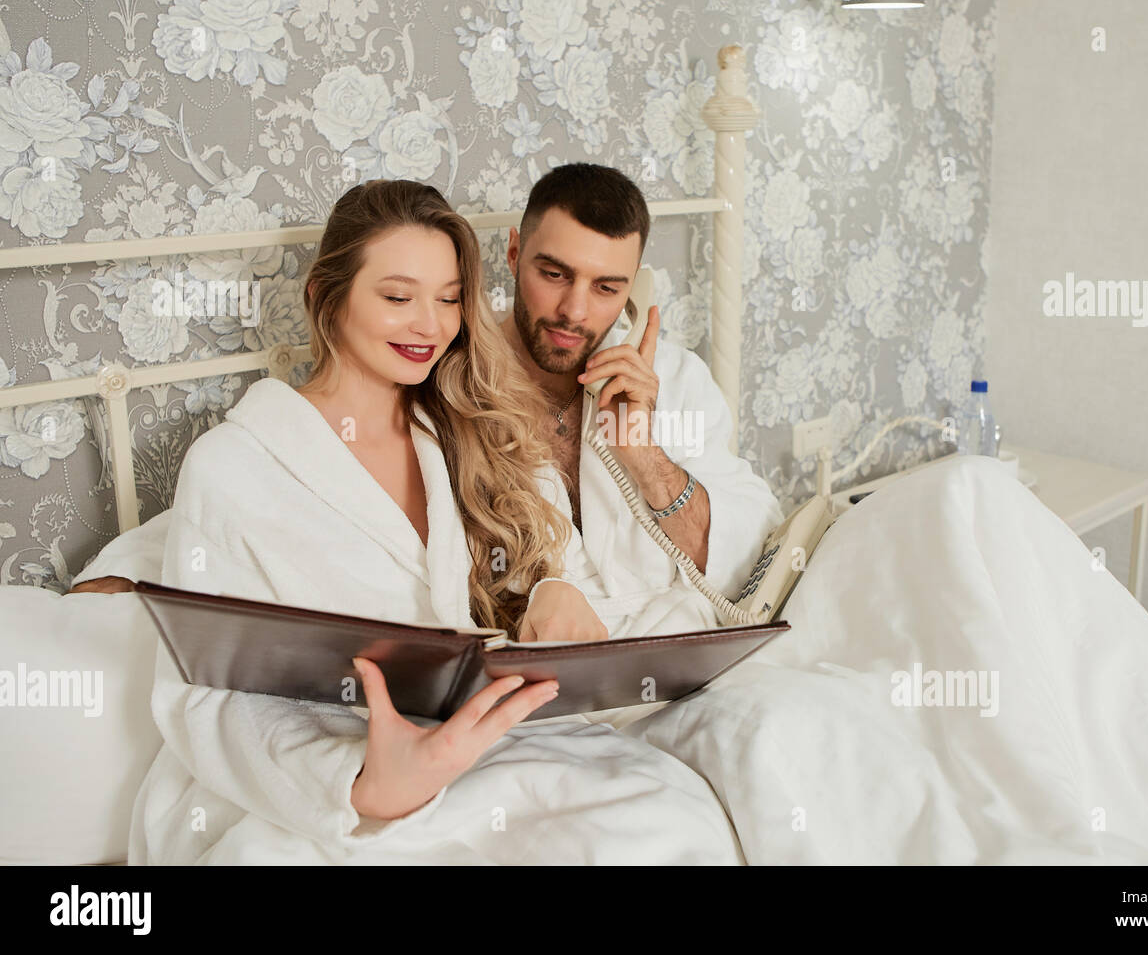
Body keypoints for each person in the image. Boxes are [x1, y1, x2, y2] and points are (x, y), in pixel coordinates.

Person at [117, 179, 740, 863]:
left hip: (485, 748)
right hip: (325, 775)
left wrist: (549, 591)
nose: (430, 326)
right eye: (396, 297)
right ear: (325, 296)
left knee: (665, 821)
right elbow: (206, 694)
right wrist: (358, 784)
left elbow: (528, 567)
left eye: (448, 300)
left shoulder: (466, 429)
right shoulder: (233, 467)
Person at [71, 164, 783, 642]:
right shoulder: (457, 386)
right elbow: (276, 494)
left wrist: (642, 453)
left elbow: (744, 549)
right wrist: (130, 571)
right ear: (512, 254)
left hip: (660, 652)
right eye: (553, 272)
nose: (574, 310)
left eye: (607, 287)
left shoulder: (670, 382)